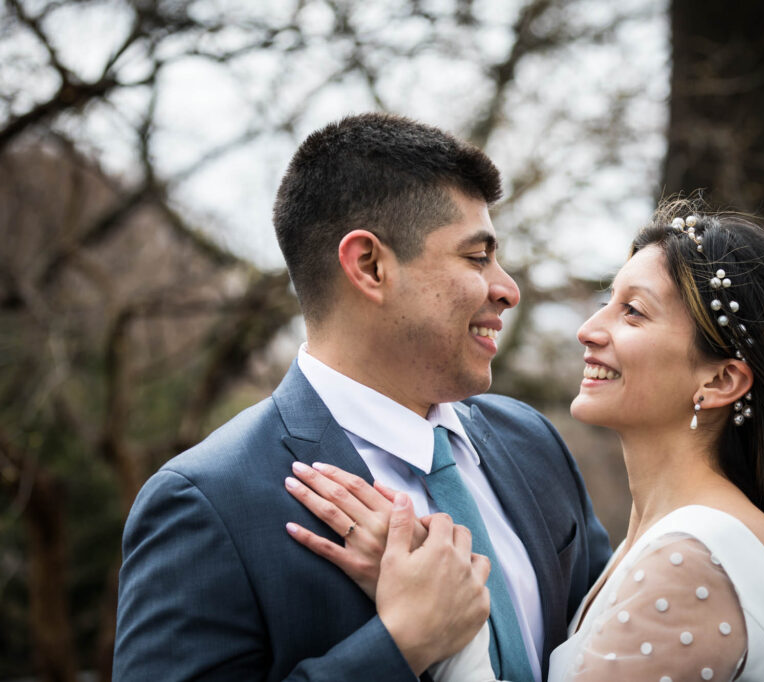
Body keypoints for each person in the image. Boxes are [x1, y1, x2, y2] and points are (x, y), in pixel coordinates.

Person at [113, 113, 611, 681]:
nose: (508, 289)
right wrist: (400, 646)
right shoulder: (209, 502)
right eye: (477, 257)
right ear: (370, 266)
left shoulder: (532, 441)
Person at [287, 199, 764, 681]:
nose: (589, 330)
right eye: (604, 302)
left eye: (633, 313)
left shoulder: (692, 560)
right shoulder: (662, 540)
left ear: (719, 380)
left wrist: (440, 623)